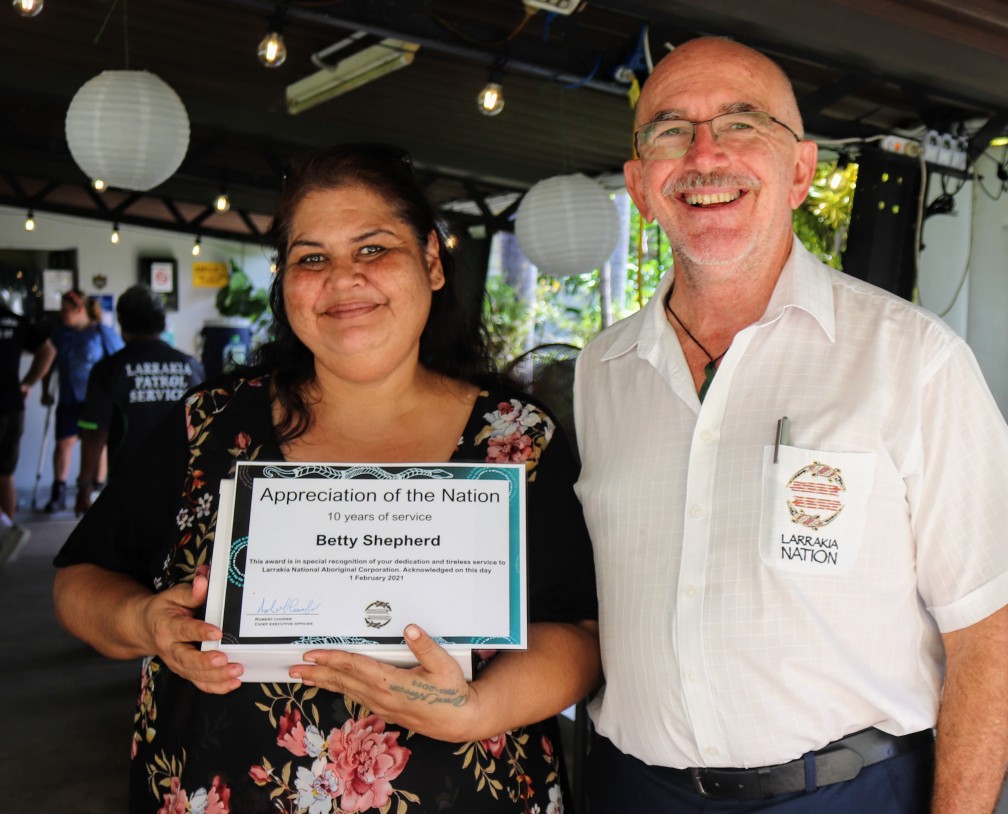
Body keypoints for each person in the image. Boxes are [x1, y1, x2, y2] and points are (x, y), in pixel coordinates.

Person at [573, 37, 1008, 814]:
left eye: (743, 123)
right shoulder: (601, 371)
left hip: (846, 794)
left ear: (802, 172)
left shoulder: (913, 357)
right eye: (670, 131)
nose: (705, 153)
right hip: (634, 789)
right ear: (641, 184)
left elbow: (983, 642)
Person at [54, 144, 600, 814]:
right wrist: (143, 620)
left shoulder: (518, 439)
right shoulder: (209, 427)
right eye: (311, 258)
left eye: (372, 249)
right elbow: (79, 580)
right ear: (286, 284)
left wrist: (477, 708)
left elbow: (578, 633)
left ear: (431, 261)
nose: (343, 278)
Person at [73, 285, 205, 516]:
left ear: (122, 324)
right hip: (185, 487)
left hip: (130, 489)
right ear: (162, 323)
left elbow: (94, 434)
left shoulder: (108, 370)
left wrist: (85, 485)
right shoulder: (191, 367)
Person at [39, 289, 122, 512]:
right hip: (69, 397)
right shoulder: (60, 334)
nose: (61, 315)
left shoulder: (101, 332)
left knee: (98, 442)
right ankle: (59, 491)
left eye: (65, 310)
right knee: (63, 443)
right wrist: (45, 390)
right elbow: (50, 365)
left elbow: (119, 362)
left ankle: (96, 488)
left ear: (79, 309)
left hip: (95, 401)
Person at [0, 297, 54, 564]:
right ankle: (6, 536)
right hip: (12, 405)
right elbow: (48, 351)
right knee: (5, 475)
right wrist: (27, 384)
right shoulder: (15, 320)